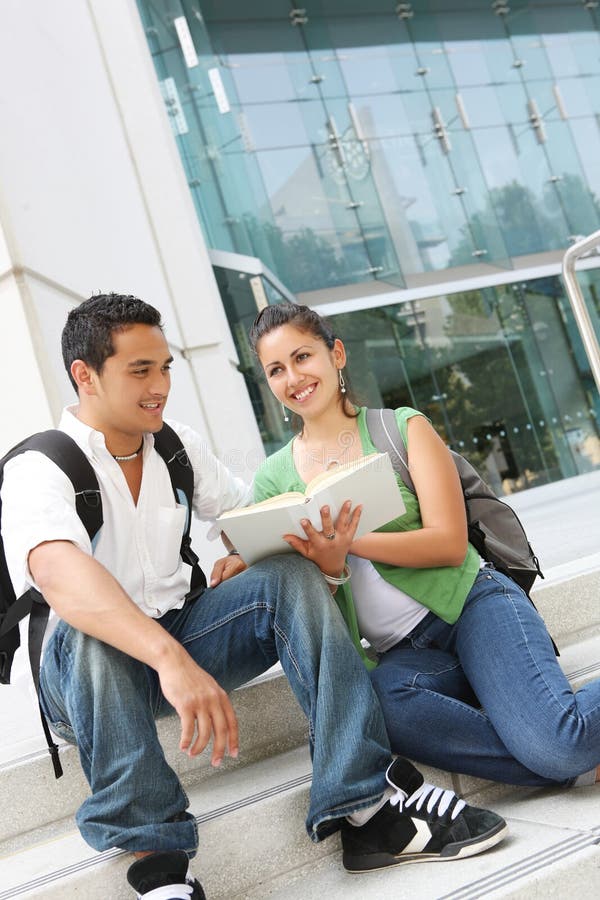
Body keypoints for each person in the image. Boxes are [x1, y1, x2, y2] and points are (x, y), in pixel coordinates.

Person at [1, 294, 507, 900]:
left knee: (290, 575)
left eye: (166, 368)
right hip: (85, 677)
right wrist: (170, 659)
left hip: (181, 634)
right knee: (90, 630)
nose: (160, 386)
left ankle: (364, 804)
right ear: (85, 375)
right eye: (141, 371)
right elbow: (59, 575)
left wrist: (252, 549)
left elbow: (255, 513)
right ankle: (157, 864)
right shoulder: (41, 465)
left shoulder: (174, 445)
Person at [249, 301, 600, 793]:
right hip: (403, 655)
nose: (294, 378)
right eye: (276, 370)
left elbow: (450, 543)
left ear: (337, 355)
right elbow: (296, 601)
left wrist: (353, 543)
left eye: (303, 357)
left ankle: (558, 753)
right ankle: (553, 756)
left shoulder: (401, 429)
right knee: (378, 702)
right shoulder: (272, 479)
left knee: (560, 745)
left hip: (476, 607)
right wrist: (328, 570)